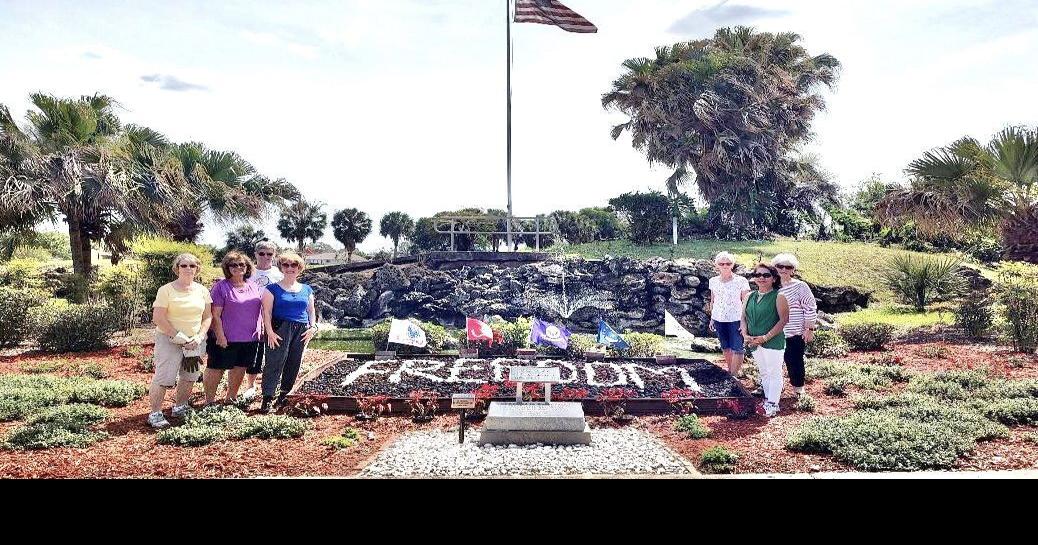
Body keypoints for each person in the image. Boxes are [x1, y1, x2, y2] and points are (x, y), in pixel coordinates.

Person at [149, 253, 212, 428]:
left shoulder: (202, 291)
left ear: (197, 268)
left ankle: (180, 407)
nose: (188, 269)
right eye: (184, 265)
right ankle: (155, 413)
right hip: (169, 339)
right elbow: (158, 317)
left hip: (194, 342)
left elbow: (207, 317)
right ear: (177, 268)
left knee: (189, 375)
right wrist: (177, 336)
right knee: (164, 376)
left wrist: (199, 336)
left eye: (192, 265)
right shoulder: (166, 290)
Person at [260, 252, 318, 413]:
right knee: (274, 362)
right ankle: (267, 398)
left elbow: (311, 311)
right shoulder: (271, 289)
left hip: (301, 329)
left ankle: (284, 396)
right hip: (279, 328)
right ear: (281, 267)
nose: (290, 268)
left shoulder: (306, 289)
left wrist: (313, 327)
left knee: (294, 362)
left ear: (299, 268)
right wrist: (269, 332)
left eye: (294, 265)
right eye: (286, 265)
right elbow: (266, 313)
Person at [204, 251, 263, 406]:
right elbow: (215, 315)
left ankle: (230, 399)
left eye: (241, 264)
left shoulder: (253, 286)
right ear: (227, 267)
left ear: (247, 266)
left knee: (240, 367)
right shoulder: (220, 287)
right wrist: (220, 336)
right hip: (225, 337)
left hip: (250, 337)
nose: (238, 267)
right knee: (215, 368)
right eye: (233, 265)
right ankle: (209, 402)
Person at [741, 262, 789, 418]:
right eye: (758, 275)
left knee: (774, 372)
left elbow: (783, 320)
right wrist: (745, 335)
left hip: (772, 341)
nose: (761, 278)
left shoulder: (779, 296)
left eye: (766, 275)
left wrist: (765, 337)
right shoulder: (749, 296)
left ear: (774, 278)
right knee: (764, 372)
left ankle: (773, 404)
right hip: (754, 341)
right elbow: (743, 318)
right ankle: (769, 401)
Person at [773, 253, 819, 398]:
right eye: (780, 266)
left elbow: (810, 307)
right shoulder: (771, 286)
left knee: (795, 361)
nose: (783, 269)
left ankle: (798, 389)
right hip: (774, 333)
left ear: (793, 270)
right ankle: (773, 388)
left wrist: (809, 328)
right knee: (772, 363)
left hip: (794, 331)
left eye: (788, 267)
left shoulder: (800, 286)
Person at [243, 241, 283, 401]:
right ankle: (250, 385)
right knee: (255, 352)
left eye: (269, 254)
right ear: (255, 254)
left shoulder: (279, 274)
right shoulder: (248, 272)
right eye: (262, 253)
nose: (265, 257)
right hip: (252, 317)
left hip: (275, 317)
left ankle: (273, 385)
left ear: (274, 255)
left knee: (276, 351)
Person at [707, 252, 751, 375]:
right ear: (717, 265)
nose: (725, 266)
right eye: (721, 263)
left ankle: (734, 375)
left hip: (736, 319)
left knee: (737, 348)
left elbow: (746, 302)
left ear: (732, 265)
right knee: (725, 347)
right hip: (718, 318)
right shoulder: (713, 281)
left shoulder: (741, 281)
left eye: (728, 263)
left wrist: (744, 321)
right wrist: (712, 318)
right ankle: (730, 371)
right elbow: (713, 300)